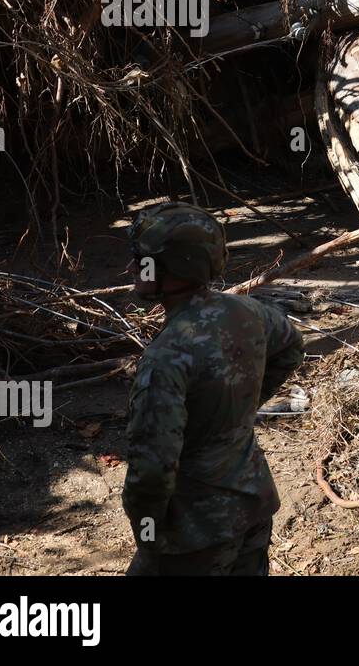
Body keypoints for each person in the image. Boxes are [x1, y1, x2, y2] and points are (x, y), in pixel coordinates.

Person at [122, 202, 304, 575]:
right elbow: (291, 346)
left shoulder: (166, 358)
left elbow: (153, 468)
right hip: (253, 504)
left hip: (196, 532)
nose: (132, 268)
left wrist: (149, 534)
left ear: (167, 267)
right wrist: (239, 407)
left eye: (141, 259)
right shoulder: (248, 311)